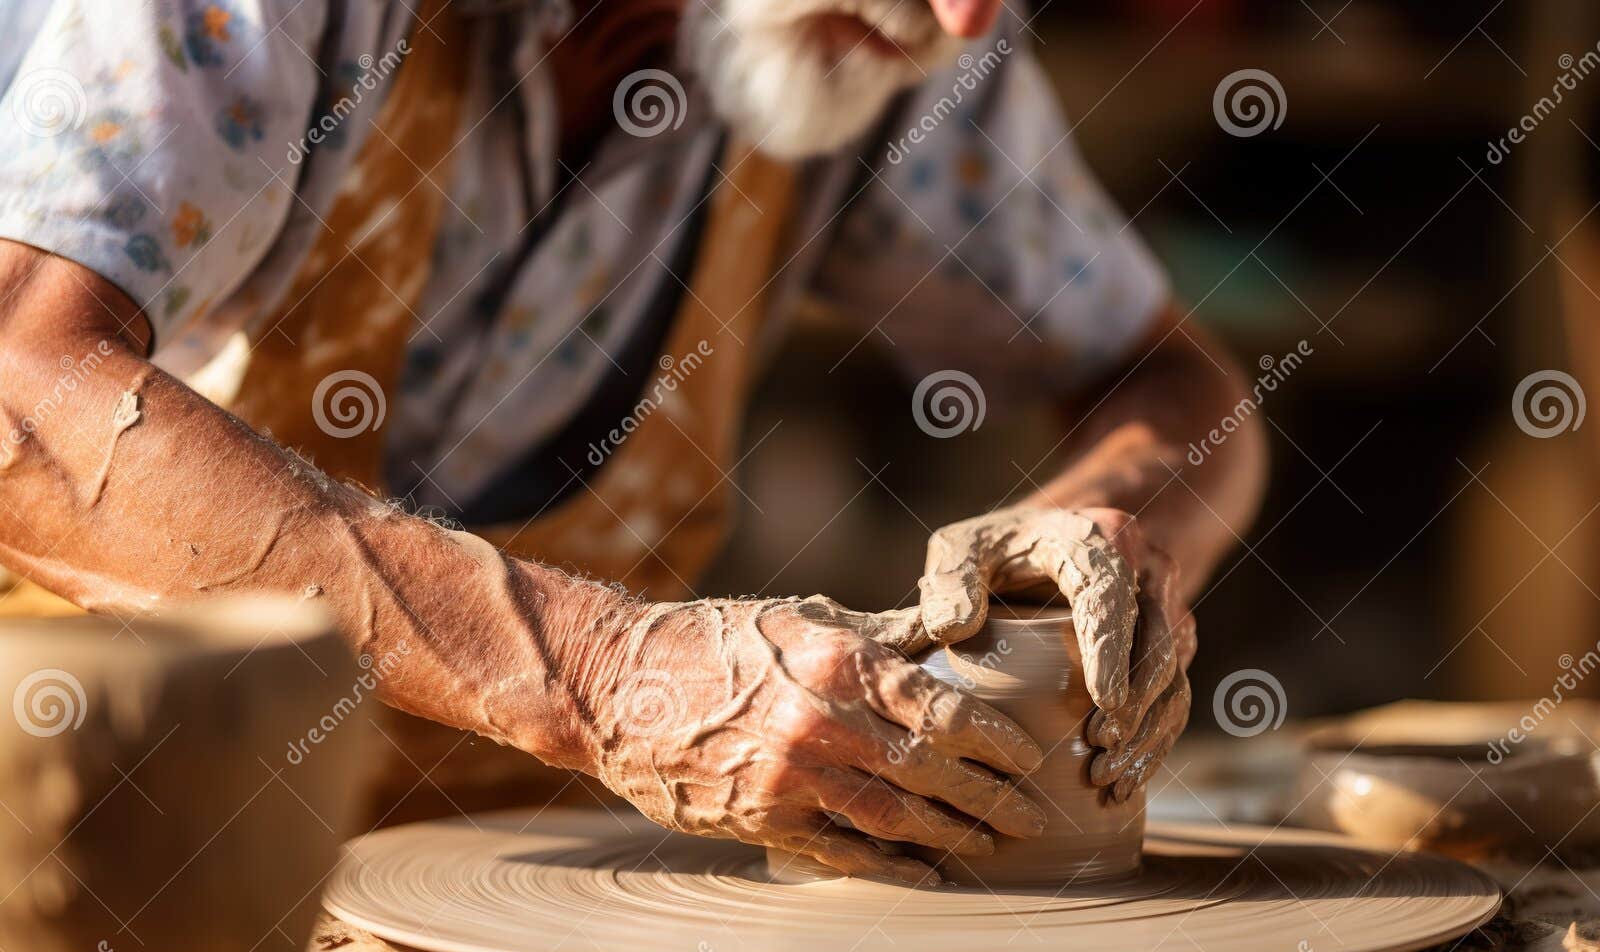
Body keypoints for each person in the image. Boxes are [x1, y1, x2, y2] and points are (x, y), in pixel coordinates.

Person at [0, 0, 1265, 882]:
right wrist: (612, 673)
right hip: (103, 865)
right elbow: (19, 393)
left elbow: (1166, 378)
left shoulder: (906, 33)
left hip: (517, 881)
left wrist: (1113, 513)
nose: (973, 17)